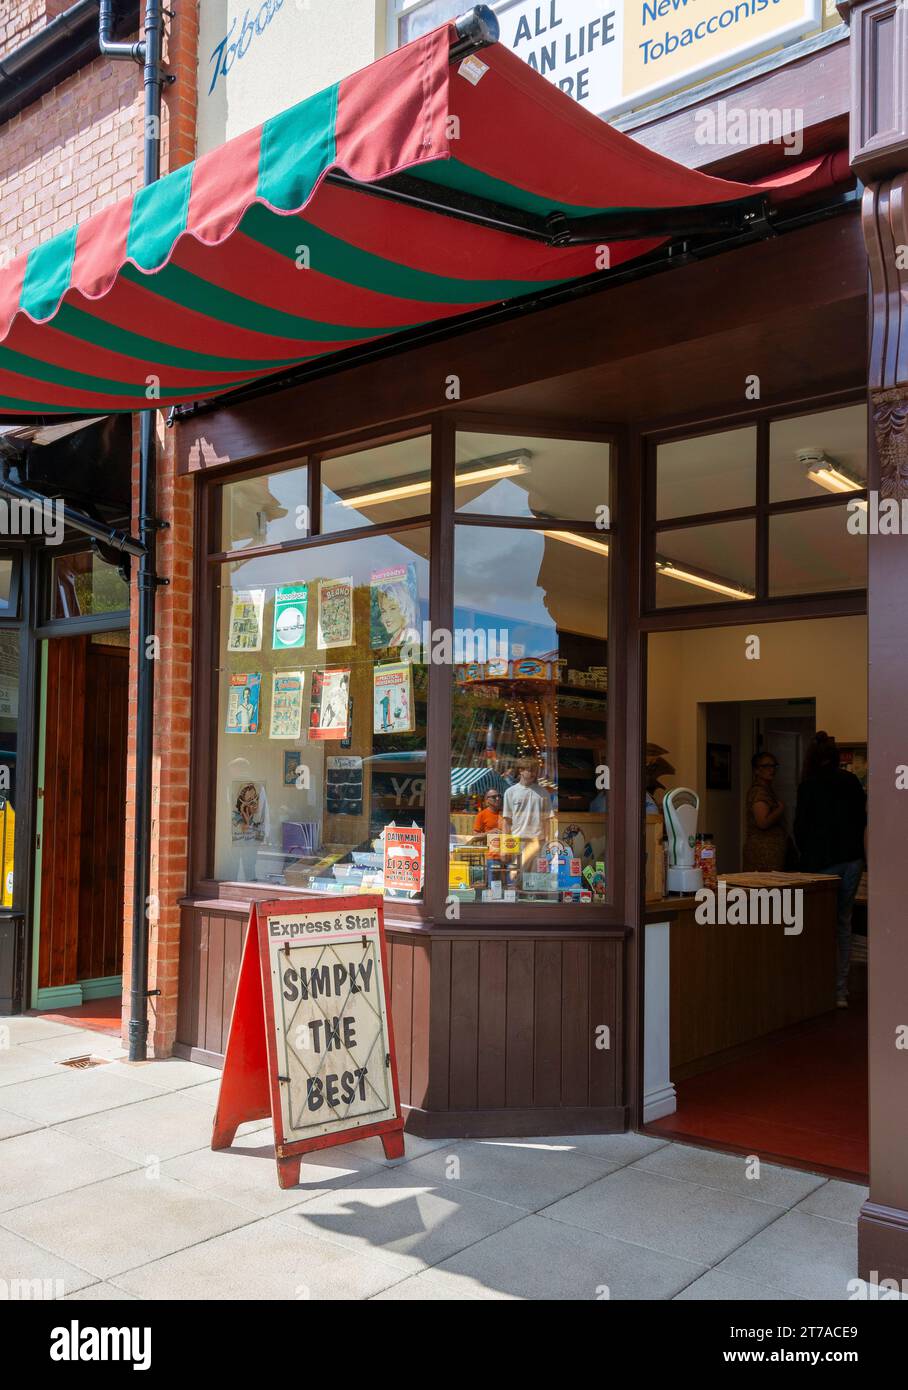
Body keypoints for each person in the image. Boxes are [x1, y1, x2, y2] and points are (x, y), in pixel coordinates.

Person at [794, 731, 867, 1008]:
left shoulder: (808, 785)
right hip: (852, 860)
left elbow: (800, 828)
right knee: (843, 922)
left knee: (818, 925)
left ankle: (818, 987)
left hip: (822, 862)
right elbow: (862, 819)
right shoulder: (850, 781)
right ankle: (840, 990)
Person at [502, 758, 553, 872]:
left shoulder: (543, 793)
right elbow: (506, 822)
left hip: (538, 842)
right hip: (517, 842)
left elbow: (547, 821)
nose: (533, 773)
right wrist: (504, 847)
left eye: (535, 770)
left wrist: (548, 844)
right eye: (530, 770)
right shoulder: (510, 792)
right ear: (520, 770)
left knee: (535, 882)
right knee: (517, 881)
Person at [742, 751, 788, 871]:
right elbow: (762, 822)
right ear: (757, 770)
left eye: (773, 766)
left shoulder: (768, 790)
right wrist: (780, 809)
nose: (771, 769)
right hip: (762, 852)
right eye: (766, 766)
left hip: (772, 851)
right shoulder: (759, 792)